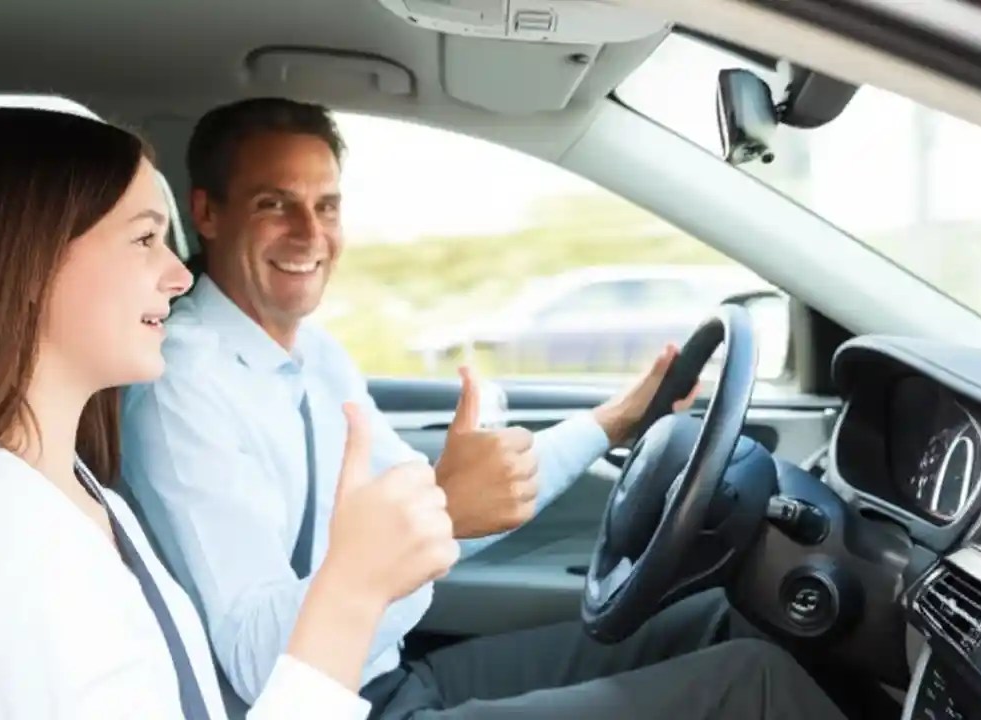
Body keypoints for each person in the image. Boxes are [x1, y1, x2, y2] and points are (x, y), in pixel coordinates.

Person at [119, 97, 848, 719]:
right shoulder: (183, 387)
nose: (311, 233)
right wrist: (442, 515)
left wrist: (613, 422)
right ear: (208, 213)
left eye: (327, 205)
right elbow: (259, 669)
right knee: (754, 685)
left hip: (393, 679)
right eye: (275, 203)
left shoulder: (318, 357)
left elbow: (466, 503)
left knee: (718, 621)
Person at [0, 106, 465, 720]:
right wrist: (350, 590)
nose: (180, 274)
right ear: (32, 264)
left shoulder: (66, 486)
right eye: (145, 239)